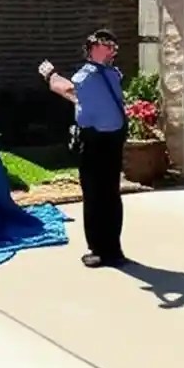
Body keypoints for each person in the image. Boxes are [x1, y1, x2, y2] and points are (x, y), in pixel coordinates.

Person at [38, 29, 127, 268]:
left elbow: (67, 90)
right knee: (111, 194)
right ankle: (114, 249)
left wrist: (50, 75)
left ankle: (99, 249)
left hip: (95, 141)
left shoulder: (88, 76)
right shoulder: (113, 75)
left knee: (95, 195)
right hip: (114, 140)